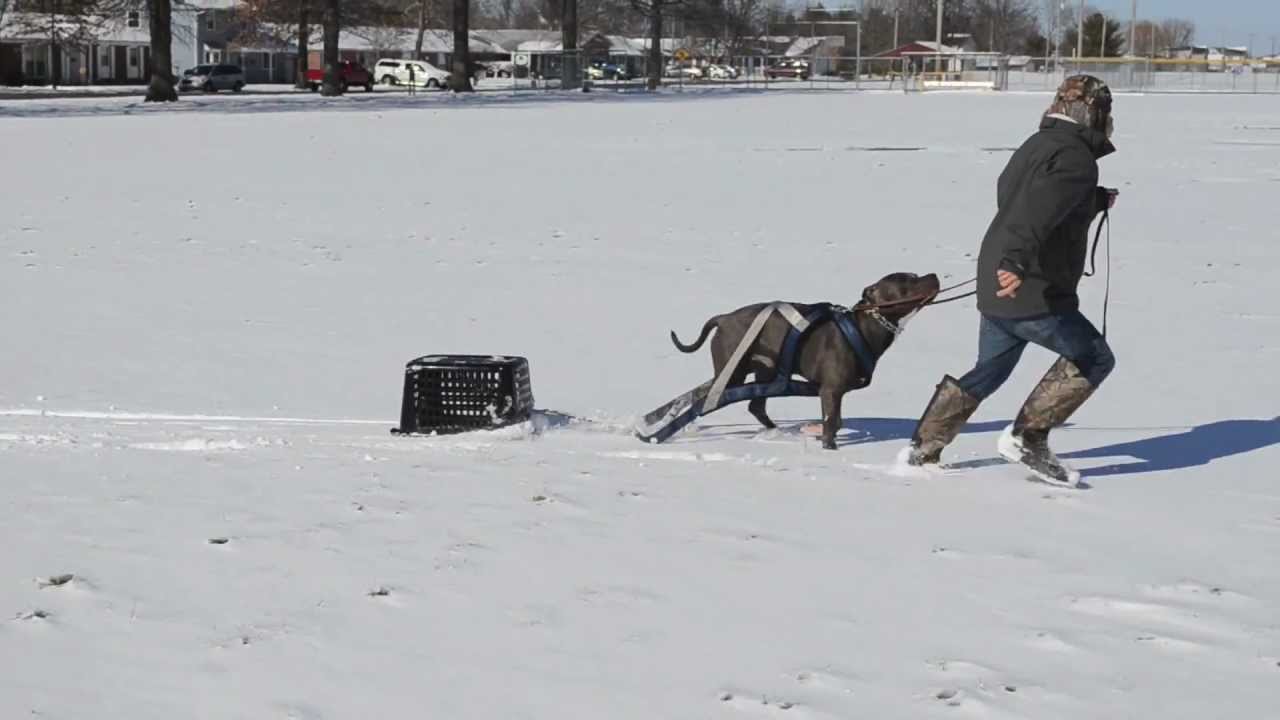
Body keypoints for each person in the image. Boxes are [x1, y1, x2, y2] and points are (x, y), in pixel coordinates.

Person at [904, 75, 1119, 486]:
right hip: (1028, 287)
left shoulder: (1037, 143)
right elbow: (1034, 212)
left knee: (991, 369)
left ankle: (924, 445)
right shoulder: (1076, 158)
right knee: (1094, 357)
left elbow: (1020, 196)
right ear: (1094, 112)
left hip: (996, 278)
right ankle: (1028, 438)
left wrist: (1090, 201)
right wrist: (1017, 262)